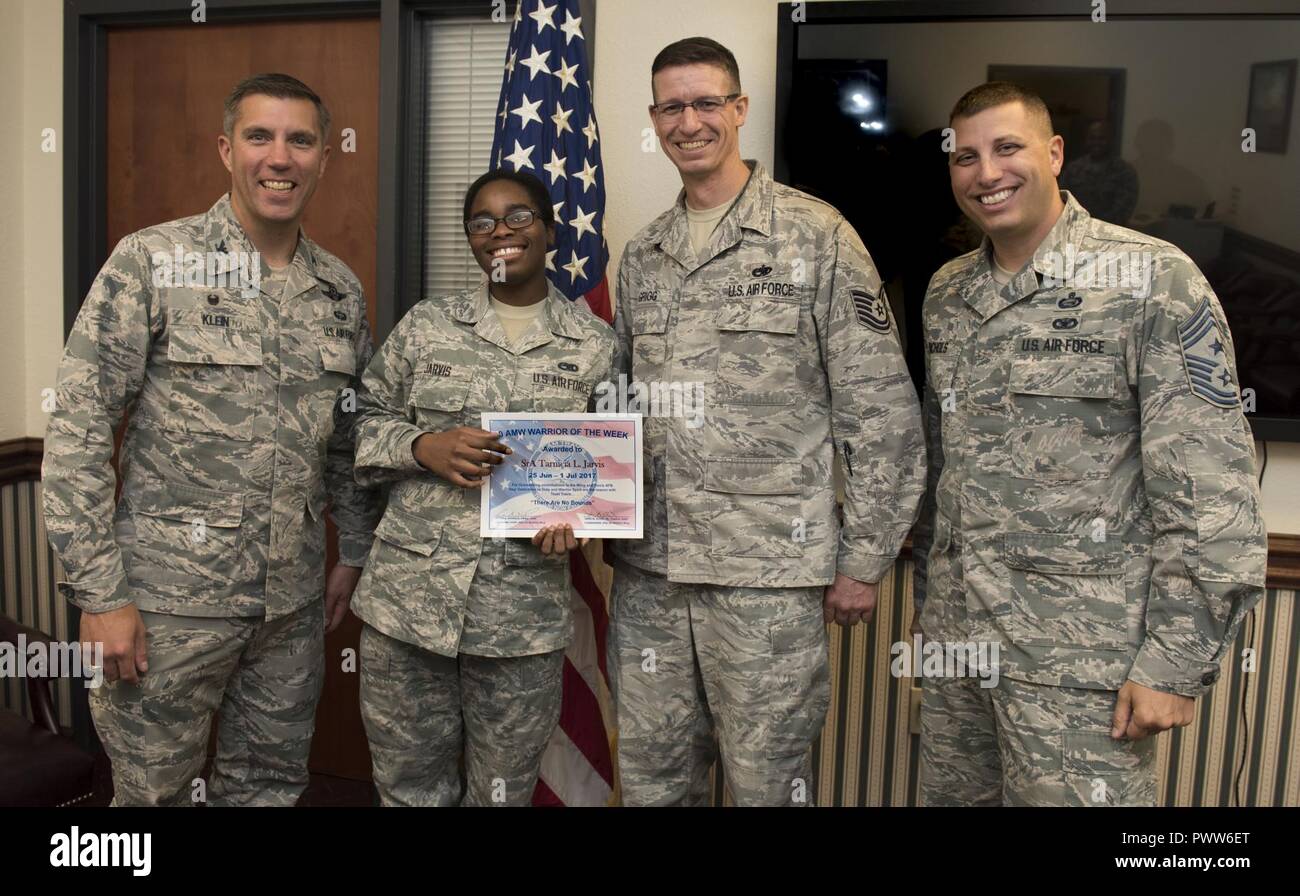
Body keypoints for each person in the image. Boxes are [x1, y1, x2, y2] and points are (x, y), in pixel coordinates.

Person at [912, 81, 1267, 806]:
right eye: (966, 157)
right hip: (958, 652)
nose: (987, 173)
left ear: (1055, 153)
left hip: (1079, 666)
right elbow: (943, 474)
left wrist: (1174, 663)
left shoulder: (1153, 281)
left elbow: (1211, 491)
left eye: (1008, 148)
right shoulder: (948, 294)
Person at [43, 73, 378, 806]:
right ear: (227, 149)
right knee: (151, 797)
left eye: (301, 140)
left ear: (326, 157)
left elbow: (345, 445)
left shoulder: (339, 292)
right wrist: (100, 593)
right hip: (167, 606)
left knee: (268, 789)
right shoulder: (153, 263)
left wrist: (352, 551)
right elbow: (78, 426)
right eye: (260, 137)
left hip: (287, 610)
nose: (279, 158)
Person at [608, 37, 925, 806]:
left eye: (707, 102)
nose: (690, 122)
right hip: (652, 577)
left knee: (767, 786)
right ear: (654, 118)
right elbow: (616, 405)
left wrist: (864, 560)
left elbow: (881, 409)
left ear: (739, 109)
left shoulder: (816, 235)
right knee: (650, 783)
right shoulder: (643, 254)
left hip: (768, 582)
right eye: (673, 106)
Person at [351, 169, 616, 807]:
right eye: (482, 222)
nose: (501, 232)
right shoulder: (426, 326)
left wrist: (580, 519)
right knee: (410, 790)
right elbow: (356, 423)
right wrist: (421, 446)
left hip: (520, 618)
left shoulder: (596, 347)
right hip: (408, 609)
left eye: (518, 216)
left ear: (550, 231)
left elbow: (612, 472)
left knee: (501, 795)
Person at [1059, 119, 1139, 226]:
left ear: (1111, 140)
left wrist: (1094, 228)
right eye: (1092, 138)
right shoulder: (1073, 169)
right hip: (1074, 229)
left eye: (1101, 138)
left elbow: (1122, 212)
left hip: (1110, 234)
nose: (1096, 142)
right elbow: (1061, 202)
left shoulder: (1124, 172)